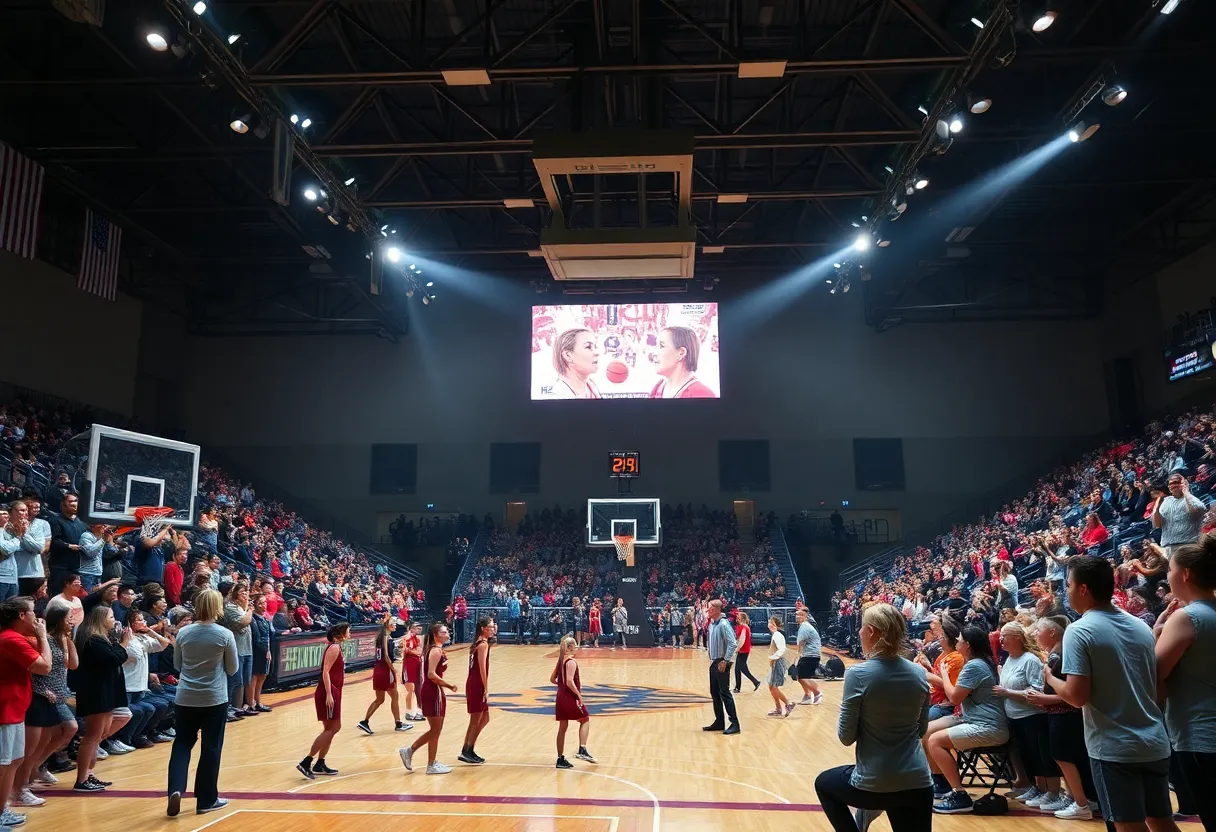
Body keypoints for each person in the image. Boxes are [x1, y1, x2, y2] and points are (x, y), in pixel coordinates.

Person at [1043, 556, 1177, 832]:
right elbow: (1157, 687)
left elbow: (1077, 697)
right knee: (1162, 822)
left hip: (1115, 749)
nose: (1066, 592)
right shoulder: (1140, 626)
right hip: (1154, 741)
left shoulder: (1079, 631)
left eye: (1068, 585)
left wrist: (1050, 680)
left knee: (1128, 826)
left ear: (1083, 589)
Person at [815, 604, 933, 832]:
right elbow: (920, 730)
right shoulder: (918, 672)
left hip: (873, 783)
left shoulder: (857, 674)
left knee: (824, 784)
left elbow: (846, 737)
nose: (858, 632)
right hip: (918, 781)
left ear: (870, 632)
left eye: (861, 627)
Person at [1153, 536, 1216, 829]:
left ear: (1186, 574)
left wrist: (1155, 634)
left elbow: (1152, 675)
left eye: (1170, 569)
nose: (1167, 576)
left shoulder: (1187, 618)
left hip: (1201, 738)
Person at [924, 625, 1010, 813]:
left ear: (968, 645)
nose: (957, 642)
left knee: (935, 741)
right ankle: (941, 783)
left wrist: (944, 675)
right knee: (926, 730)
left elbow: (954, 697)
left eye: (960, 640)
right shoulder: (978, 662)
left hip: (987, 726)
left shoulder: (974, 666)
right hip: (971, 718)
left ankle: (960, 794)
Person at [168, 588, 238, 817]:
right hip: (214, 698)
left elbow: (177, 665)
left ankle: (175, 790)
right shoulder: (224, 635)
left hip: (185, 697)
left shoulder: (184, 633)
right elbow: (232, 669)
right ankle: (206, 800)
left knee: (182, 743)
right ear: (218, 607)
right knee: (211, 747)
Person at [1028, 616, 1098, 821]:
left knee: (1064, 759)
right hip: (1063, 716)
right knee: (1072, 760)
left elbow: (1073, 694)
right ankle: (1083, 798)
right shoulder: (1056, 654)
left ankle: (1081, 804)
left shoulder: (1058, 656)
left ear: (1052, 633)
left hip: (1065, 716)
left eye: (1038, 630)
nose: (1034, 634)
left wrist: (1044, 697)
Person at [992, 623, 1065, 811]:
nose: (1001, 639)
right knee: (1029, 755)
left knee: (1042, 755)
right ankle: (1038, 788)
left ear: (1017, 637)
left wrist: (1008, 692)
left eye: (1005, 635)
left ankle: (1053, 791)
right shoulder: (1009, 659)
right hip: (1015, 716)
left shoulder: (1030, 659)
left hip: (1033, 715)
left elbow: (1037, 690)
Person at [14, 603, 77, 807]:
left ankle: (33, 771)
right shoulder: (40, 640)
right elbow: (36, 668)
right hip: (41, 694)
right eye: (68, 617)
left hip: (57, 693)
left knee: (49, 737)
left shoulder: (61, 639)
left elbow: (73, 664)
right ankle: (22, 784)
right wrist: (41, 689)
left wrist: (68, 638)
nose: (71, 620)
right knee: (34, 744)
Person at [0, 597, 51, 828]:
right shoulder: (10, 639)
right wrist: (41, 636)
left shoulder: (17, 638)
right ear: (21, 615)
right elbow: (45, 666)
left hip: (15, 709)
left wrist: (42, 637)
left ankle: (2, 810)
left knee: (15, 761)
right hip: (5, 710)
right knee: (3, 765)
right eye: (32, 611)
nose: (37, 616)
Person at [72, 604, 133, 792]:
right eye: (111, 616)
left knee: (98, 736)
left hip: (105, 692)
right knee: (92, 737)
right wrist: (124, 643)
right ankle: (81, 780)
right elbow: (114, 659)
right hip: (95, 693)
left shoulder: (101, 639)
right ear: (100, 619)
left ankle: (89, 774)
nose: (114, 620)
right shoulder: (92, 640)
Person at [399, 622, 458, 775]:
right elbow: (431, 674)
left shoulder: (433, 650)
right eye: (444, 632)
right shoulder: (435, 651)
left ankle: (431, 763)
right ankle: (411, 751)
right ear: (436, 635)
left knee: (435, 730)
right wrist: (449, 685)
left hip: (433, 690)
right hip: (432, 691)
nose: (447, 634)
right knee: (435, 730)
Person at [297, 623, 350, 780]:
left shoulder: (337, 647)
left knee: (331, 728)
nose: (351, 633)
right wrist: (328, 694)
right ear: (339, 634)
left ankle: (320, 763)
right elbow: (325, 671)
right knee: (333, 727)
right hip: (328, 691)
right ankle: (306, 761)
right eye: (348, 631)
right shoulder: (333, 647)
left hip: (334, 690)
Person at [358, 614, 410, 735]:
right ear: (388, 625)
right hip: (385, 670)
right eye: (393, 623)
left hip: (377, 670)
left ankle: (364, 722)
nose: (395, 625)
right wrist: (393, 669)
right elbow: (386, 656)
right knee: (395, 696)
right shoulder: (386, 637)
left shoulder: (380, 637)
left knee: (380, 699)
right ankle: (398, 724)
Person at [552, 635, 594, 768]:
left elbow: (552, 679)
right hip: (569, 697)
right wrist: (579, 695)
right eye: (575, 646)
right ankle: (582, 748)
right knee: (585, 719)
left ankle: (560, 759)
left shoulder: (560, 662)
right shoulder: (571, 662)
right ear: (570, 647)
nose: (576, 649)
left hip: (560, 696)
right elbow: (570, 681)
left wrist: (561, 686)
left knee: (562, 728)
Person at [915, 615, 964, 721]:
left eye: (941, 636)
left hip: (947, 705)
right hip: (934, 698)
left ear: (948, 639)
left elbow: (953, 691)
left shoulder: (956, 658)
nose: (938, 638)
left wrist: (926, 674)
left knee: (919, 721)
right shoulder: (943, 654)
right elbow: (938, 673)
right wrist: (927, 666)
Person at [703, 599, 740, 735]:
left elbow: (732, 643)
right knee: (715, 693)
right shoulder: (712, 624)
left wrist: (725, 660)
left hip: (722, 662)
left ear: (717, 609)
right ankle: (719, 721)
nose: (708, 610)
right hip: (714, 662)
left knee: (725, 693)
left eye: (710, 608)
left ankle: (735, 723)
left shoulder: (724, 624)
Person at [459, 618, 493, 765]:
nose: (493, 628)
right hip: (477, 684)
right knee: (475, 720)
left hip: (474, 682)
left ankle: (468, 748)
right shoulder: (483, 645)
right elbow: (481, 668)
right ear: (483, 628)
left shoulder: (477, 643)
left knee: (485, 718)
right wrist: (485, 688)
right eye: (491, 626)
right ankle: (467, 750)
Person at [649, 326, 715, 398]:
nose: (654, 352)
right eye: (656, 345)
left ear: (681, 353)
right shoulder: (658, 387)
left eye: (661, 346)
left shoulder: (702, 394)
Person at [221, 581, 255, 720]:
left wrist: (247, 608)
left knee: (243, 681)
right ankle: (227, 708)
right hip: (236, 649)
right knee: (234, 680)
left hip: (247, 648)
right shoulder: (230, 607)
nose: (246, 595)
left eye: (247, 592)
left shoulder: (242, 608)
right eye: (242, 592)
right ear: (234, 594)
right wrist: (250, 610)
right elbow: (242, 623)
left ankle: (237, 707)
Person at [1152, 474, 1206, 556]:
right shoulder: (1165, 502)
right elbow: (1157, 525)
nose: (1172, 486)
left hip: (1188, 545)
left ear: (1184, 483)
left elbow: (1196, 511)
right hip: (1169, 547)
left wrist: (1186, 492)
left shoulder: (1191, 498)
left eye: (1175, 482)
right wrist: (1156, 510)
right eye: (1170, 484)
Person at [549, 328, 601, 399]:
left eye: (595, 347)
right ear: (568, 356)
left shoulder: (591, 388)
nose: (597, 353)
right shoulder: (559, 395)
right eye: (588, 347)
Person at [765, 615, 795, 717]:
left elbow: (782, 649)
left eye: (772, 623)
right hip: (775, 662)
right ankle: (778, 708)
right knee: (771, 686)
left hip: (777, 663)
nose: (770, 625)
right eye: (769, 622)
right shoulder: (775, 634)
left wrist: (773, 657)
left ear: (777, 626)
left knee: (773, 687)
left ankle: (788, 703)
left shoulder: (777, 635)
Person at [248, 594, 273, 713]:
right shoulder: (253, 619)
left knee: (262, 676)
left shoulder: (265, 619)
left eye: (265, 602)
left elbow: (270, 635)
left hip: (266, 650)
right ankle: (251, 702)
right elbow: (257, 638)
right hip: (257, 651)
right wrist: (266, 651)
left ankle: (258, 701)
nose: (264, 605)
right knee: (255, 676)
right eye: (261, 603)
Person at [794, 607, 824, 706]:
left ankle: (817, 693)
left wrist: (797, 659)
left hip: (810, 655)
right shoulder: (804, 626)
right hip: (811, 654)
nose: (797, 616)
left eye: (800, 614)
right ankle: (807, 696)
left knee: (802, 677)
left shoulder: (804, 626)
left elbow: (800, 644)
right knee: (802, 676)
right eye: (796, 614)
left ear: (805, 616)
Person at [732, 611, 761, 693]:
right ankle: (737, 687)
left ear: (742, 618)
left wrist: (736, 649)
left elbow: (742, 640)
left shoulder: (745, 627)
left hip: (744, 650)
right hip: (741, 650)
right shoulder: (739, 626)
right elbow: (738, 639)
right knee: (737, 669)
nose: (737, 617)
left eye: (738, 616)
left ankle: (756, 682)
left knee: (743, 668)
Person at [402, 620, 424, 721]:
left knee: (419, 688)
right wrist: (416, 652)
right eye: (417, 627)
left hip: (417, 663)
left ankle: (419, 712)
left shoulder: (417, 638)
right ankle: (408, 712)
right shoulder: (408, 637)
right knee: (411, 689)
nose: (419, 629)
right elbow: (406, 650)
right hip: (409, 664)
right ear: (411, 628)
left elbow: (419, 650)